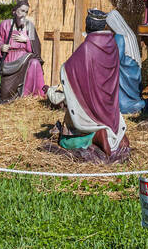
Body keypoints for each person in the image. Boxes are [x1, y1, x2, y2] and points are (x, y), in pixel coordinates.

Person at [47, 9, 130, 162]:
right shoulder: (112, 46)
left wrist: (55, 91)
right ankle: (108, 132)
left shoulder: (86, 48)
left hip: (91, 106)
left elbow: (68, 70)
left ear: (88, 25)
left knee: (66, 139)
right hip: (108, 106)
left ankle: (95, 135)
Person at [0, 0, 46, 103]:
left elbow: (36, 46)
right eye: (21, 11)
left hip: (24, 58)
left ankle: (28, 95)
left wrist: (27, 40)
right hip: (10, 61)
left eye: (26, 12)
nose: (23, 14)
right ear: (14, 11)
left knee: (34, 63)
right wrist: (2, 46)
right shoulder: (5, 24)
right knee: (6, 94)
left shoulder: (30, 26)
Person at [106, 9, 146, 114]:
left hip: (125, 76)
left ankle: (129, 105)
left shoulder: (119, 36)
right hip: (133, 74)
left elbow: (115, 60)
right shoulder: (130, 34)